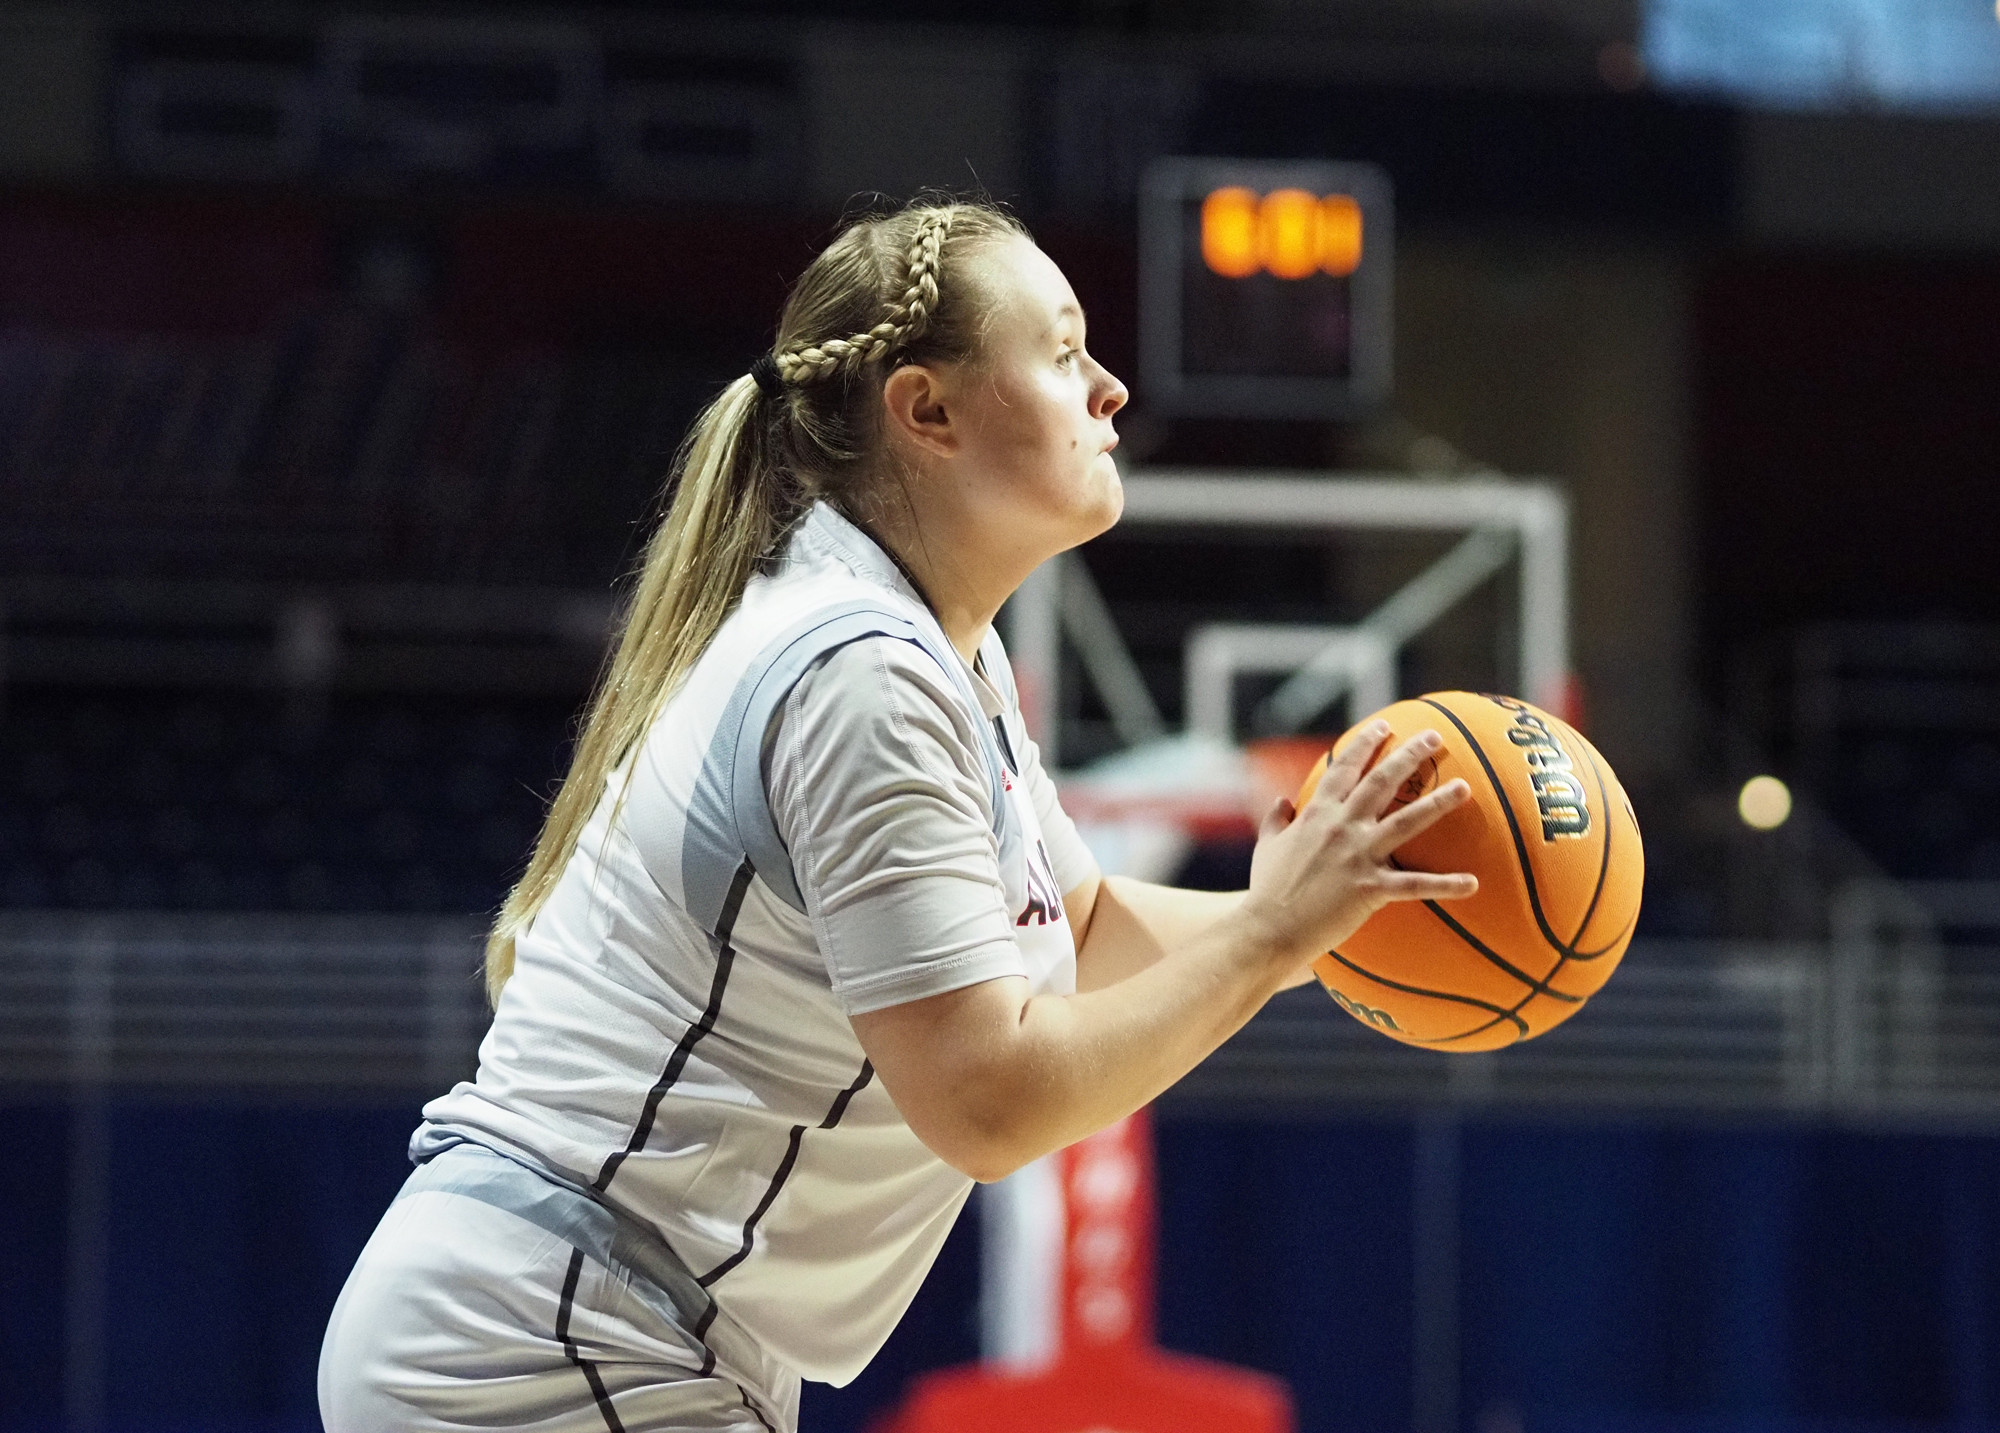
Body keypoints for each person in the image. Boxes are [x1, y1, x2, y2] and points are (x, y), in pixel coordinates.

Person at [318, 197, 1477, 1433]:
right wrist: (1270, 935)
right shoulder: (858, 673)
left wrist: (1331, 916)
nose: (1111, 388)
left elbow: (1073, 935)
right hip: (540, 1340)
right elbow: (988, 1099)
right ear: (925, 410)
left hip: (598, 1321)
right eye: (1063, 348)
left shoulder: (930, 653)